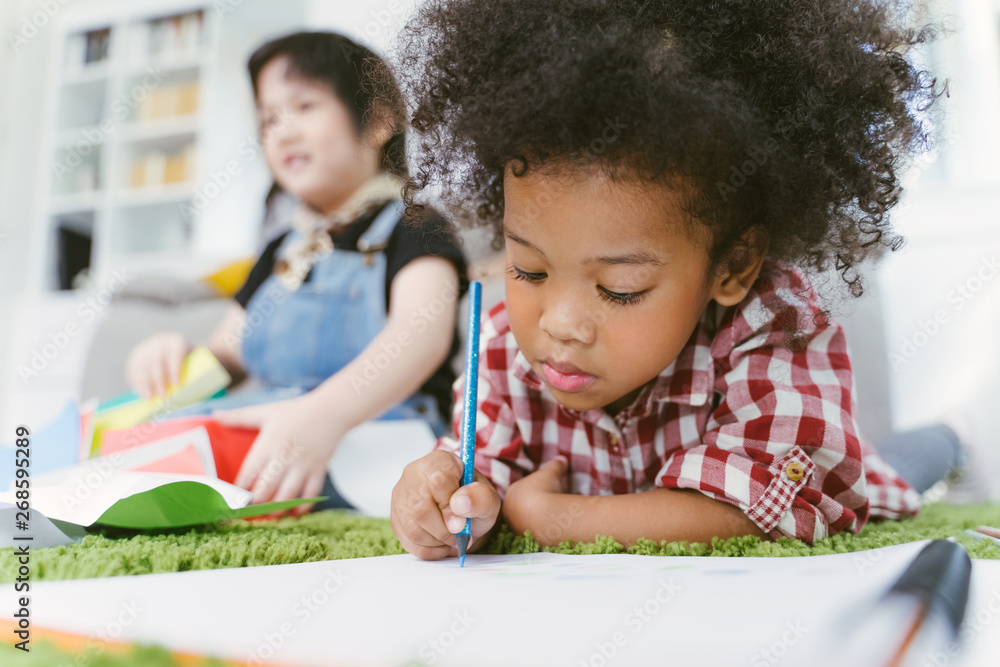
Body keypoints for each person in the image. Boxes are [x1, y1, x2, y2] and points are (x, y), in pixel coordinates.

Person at [389, 0, 945, 558]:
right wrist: (437, 495)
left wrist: (555, 519)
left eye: (619, 287)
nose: (557, 324)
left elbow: (770, 507)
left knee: (907, 461)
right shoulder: (502, 338)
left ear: (732, 266)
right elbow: (476, 475)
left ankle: (949, 437)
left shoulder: (771, 322)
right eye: (528, 269)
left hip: (865, 476)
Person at [126, 32, 467, 513]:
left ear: (378, 121)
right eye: (269, 119)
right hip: (274, 439)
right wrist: (177, 357)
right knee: (144, 447)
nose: (282, 131)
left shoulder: (416, 225)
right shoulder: (280, 250)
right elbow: (227, 356)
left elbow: (420, 336)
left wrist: (323, 416)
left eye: (304, 106)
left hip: (386, 444)